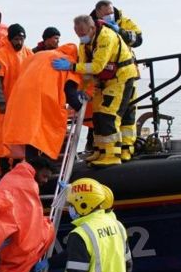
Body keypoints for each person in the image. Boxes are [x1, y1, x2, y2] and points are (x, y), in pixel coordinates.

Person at [52, 15, 138, 167]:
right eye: (78, 33)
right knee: (97, 115)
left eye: (83, 33)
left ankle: (113, 154)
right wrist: (85, 90)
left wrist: (71, 67)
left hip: (121, 78)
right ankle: (101, 151)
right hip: (103, 80)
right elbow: (85, 66)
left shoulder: (106, 37)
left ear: (92, 28)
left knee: (108, 115)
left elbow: (97, 66)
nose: (81, 36)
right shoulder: (84, 43)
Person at [2, 43, 86, 160]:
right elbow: (71, 95)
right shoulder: (70, 64)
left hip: (20, 98)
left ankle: (28, 167)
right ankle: (43, 168)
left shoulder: (40, 55)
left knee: (30, 134)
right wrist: (82, 108)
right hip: (45, 100)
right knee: (47, 133)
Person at [92, 0, 143, 161]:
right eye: (106, 13)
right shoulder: (92, 26)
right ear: (98, 13)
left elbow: (139, 39)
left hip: (126, 72)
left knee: (128, 111)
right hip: (105, 76)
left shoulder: (124, 21)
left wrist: (120, 30)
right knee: (103, 113)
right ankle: (102, 149)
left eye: (111, 12)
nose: (110, 15)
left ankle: (126, 148)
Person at [0, 23, 34, 174]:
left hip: (22, 106)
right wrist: (1, 102)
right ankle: (4, 169)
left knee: (20, 138)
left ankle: (18, 168)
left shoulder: (28, 53)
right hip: (5, 106)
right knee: (4, 140)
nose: (19, 42)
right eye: (16, 39)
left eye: (21, 38)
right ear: (10, 39)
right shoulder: (0, 55)